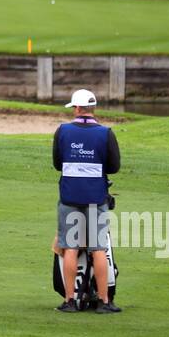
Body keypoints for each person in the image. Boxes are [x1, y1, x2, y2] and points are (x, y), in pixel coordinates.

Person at [52, 89, 121, 313]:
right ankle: (103, 301)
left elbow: (57, 163)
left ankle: (69, 301)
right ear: (92, 108)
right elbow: (114, 167)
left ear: (78, 108)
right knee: (98, 248)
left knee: (70, 248)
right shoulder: (106, 133)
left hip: (70, 197)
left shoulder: (63, 131)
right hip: (96, 198)